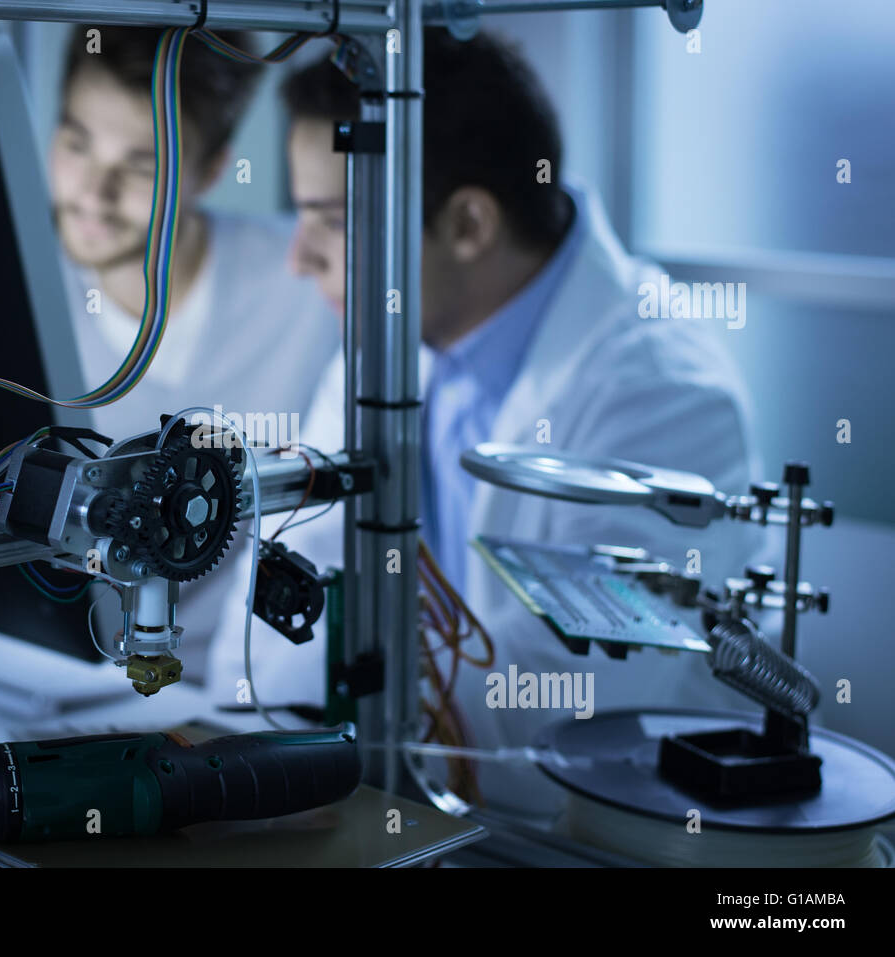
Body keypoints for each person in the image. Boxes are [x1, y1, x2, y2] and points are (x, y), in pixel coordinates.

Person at [209, 29, 767, 817]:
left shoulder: (666, 395)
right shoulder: (394, 342)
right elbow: (270, 616)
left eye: (332, 221)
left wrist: (336, 705)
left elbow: (562, 701)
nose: (300, 259)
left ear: (469, 224)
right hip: (400, 807)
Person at [48, 27, 341, 677]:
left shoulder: (309, 286)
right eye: (76, 144)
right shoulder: (12, 291)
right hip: (41, 676)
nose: (94, 193)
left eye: (141, 165)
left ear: (210, 171)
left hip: (245, 688)